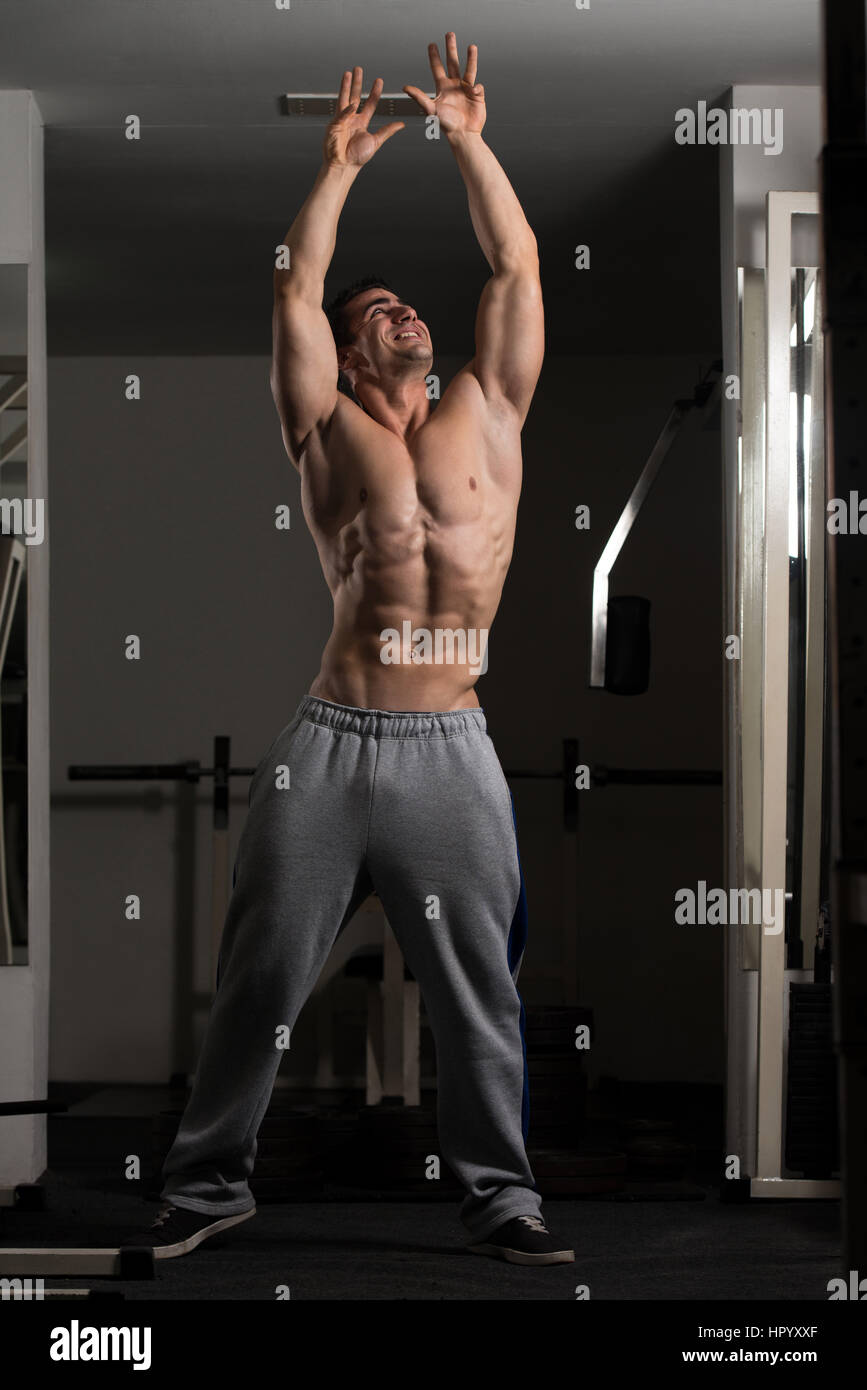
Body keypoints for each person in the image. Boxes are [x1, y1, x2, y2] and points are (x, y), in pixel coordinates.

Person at [125, 33, 573, 1269]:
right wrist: (340, 166)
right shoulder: (320, 432)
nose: (402, 314)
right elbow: (292, 288)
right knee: (262, 975)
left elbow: (517, 260)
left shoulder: (490, 410)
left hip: (452, 744)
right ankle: (209, 1182)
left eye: (406, 306)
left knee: (475, 983)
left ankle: (499, 1194)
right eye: (376, 313)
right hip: (332, 739)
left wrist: (469, 142)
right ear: (347, 350)